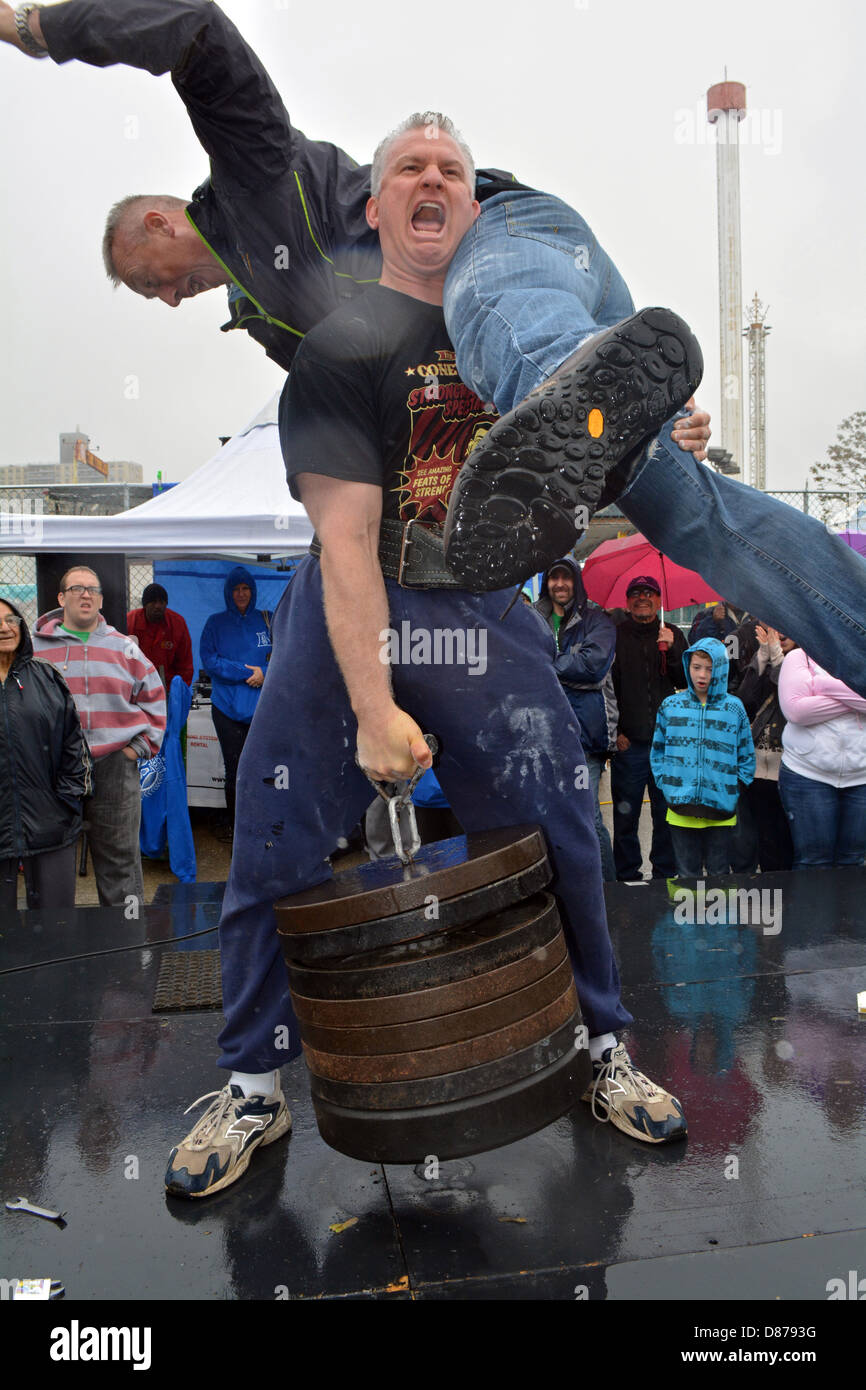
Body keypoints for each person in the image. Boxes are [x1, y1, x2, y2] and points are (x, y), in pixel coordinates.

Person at [8, 3, 865, 690]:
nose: (164, 298)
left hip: (511, 240)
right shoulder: (276, 322)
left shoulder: (252, 173)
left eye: (148, 278)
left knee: (479, 303)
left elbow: (194, 28)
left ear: (158, 223)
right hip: (559, 336)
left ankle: (595, 405)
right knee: (699, 521)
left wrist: (38, 30)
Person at [165, 117, 693, 1201]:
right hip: (355, 595)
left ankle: (598, 1046)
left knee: (558, 821)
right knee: (272, 831)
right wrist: (369, 709)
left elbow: (570, 487)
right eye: (408, 165)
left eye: (451, 168)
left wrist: (646, 443)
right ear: (374, 206)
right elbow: (349, 542)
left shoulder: (511, 334)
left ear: (471, 204)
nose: (432, 179)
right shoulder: (339, 345)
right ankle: (255, 1085)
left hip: (481, 602)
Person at [31, 565, 166, 907]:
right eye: (77, 588)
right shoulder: (34, 651)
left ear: (102, 600)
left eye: (93, 589)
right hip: (54, 770)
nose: (86, 594)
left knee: (120, 862)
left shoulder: (125, 649)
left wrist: (136, 749)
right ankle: (52, 940)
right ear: (61, 598)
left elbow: (154, 697)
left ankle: (125, 943)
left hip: (114, 767)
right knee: (49, 861)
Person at [0, 595, 91, 912]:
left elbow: (74, 743)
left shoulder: (46, 676)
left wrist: (68, 799)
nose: (5, 628)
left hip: (50, 822)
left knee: (56, 928)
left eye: (11, 620)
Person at [534, 558, 617, 880]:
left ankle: (610, 893)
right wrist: (565, 663)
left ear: (576, 582)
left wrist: (546, 666)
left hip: (584, 739)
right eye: (553, 577)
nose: (559, 584)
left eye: (565, 577)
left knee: (589, 820)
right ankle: (572, 891)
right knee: (550, 819)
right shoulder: (532, 619)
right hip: (542, 737)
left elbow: (593, 668)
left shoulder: (598, 621)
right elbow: (520, 663)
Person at [651, 639, 755, 878]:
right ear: (688, 666)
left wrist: (734, 787)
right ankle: (691, 916)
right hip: (680, 805)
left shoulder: (734, 708)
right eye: (696, 667)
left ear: (721, 669)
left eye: (710, 669)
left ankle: (719, 916)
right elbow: (658, 750)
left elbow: (746, 753)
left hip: (721, 806)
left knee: (719, 871)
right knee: (687, 873)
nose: (702, 675)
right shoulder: (670, 706)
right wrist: (666, 783)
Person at [610, 577, 687, 882]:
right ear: (627, 602)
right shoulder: (615, 635)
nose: (642, 598)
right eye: (636, 594)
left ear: (658, 600)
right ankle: (627, 874)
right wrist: (615, 732)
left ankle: (664, 874)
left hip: (667, 744)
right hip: (630, 746)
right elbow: (609, 688)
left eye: (648, 593)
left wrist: (672, 648)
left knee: (665, 816)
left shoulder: (672, 634)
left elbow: (685, 682)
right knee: (625, 816)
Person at [199, 567, 271, 840]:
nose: (241, 594)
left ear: (252, 591)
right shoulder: (215, 623)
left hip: (261, 710)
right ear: (229, 593)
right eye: (236, 589)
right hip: (226, 709)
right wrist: (247, 672)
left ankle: (262, 822)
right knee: (235, 768)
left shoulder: (267, 619)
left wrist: (265, 672)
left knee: (261, 767)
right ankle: (237, 826)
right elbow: (210, 660)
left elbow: (285, 654)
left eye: (246, 588)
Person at [777, 649, 866, 870]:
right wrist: (856, 698)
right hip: (807, 775)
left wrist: (823, 686)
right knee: (813, 862)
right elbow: (797, 712)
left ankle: (847, 907)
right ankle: (814, 907)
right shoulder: (799, 657)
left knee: (854, 861)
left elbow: (807, 707)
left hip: (862, 778)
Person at [734, 624, 797, 871]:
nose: (779, 636)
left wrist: (779, 658)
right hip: (758, 767)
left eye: (785, 630)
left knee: (788, 839)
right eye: (774, 629)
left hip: (791, 768)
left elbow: (790, 698)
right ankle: (772, 898)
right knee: (765, 839)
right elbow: (745, 699)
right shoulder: (763, 657)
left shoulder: (805, 663)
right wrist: (761, 656)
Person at [126, 583, 193, 689]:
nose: (157, 606)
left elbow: (185, 665)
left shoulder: (177, 624)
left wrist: (178, 692)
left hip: (168, 686)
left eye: (161, 602)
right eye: (153, 602)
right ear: (145, 605)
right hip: (135, 684)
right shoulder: (130, 622)